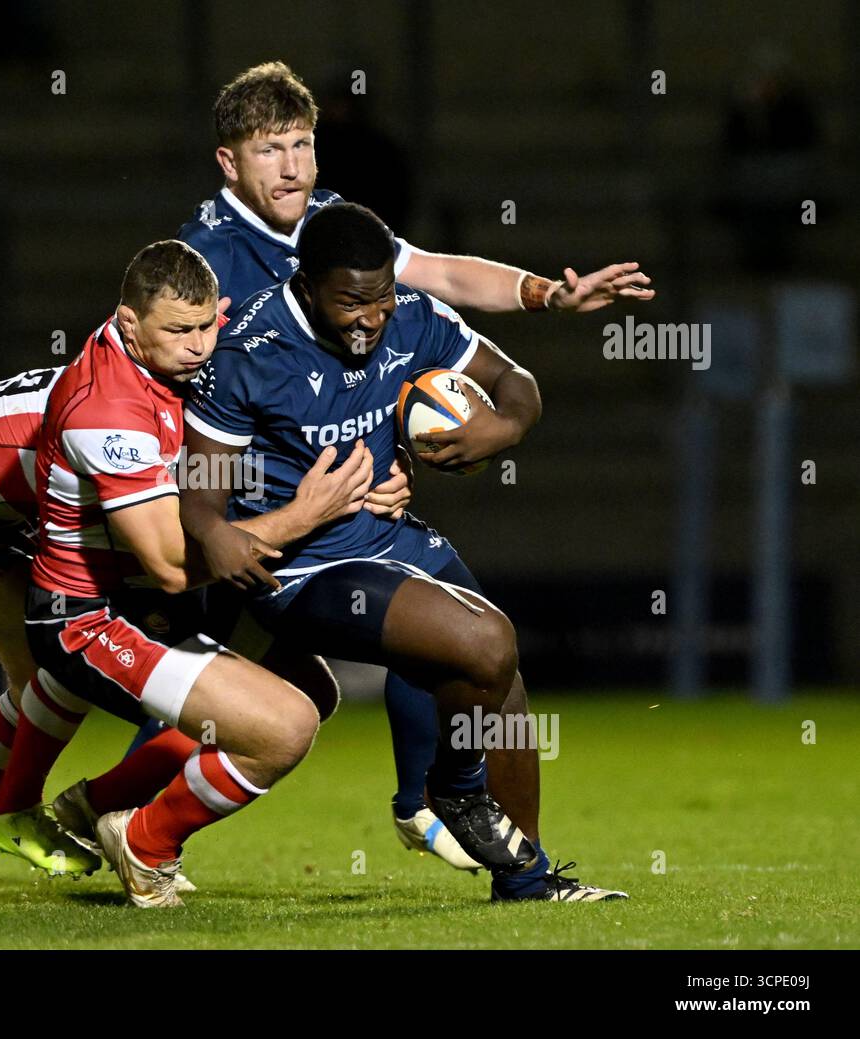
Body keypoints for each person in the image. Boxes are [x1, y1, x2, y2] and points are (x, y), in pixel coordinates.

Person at [146, 60, 654, 870]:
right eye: (270, 148)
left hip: (336, 505)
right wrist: (229, 509)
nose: (291, 165)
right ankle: (108, 814)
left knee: (446, 651)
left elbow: (443, 277)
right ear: (229, 163)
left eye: (302, 144)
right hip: (228, 507)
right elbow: (168, 389)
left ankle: (438, 810)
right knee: (194, 695)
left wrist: (546, 297)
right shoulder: (202, 261)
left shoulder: (338, 225)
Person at [23, 239, 329, 907]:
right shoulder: (109, 409)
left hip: (137, 604)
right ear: (130, 324)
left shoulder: (166, 364)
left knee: (311, 685)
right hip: (87, 619)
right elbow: (166, 562)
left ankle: (95, 804)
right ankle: (145, 843)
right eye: (178, 331)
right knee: (283, 727)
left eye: (205, 327)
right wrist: (301, 516)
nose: (197, 346)